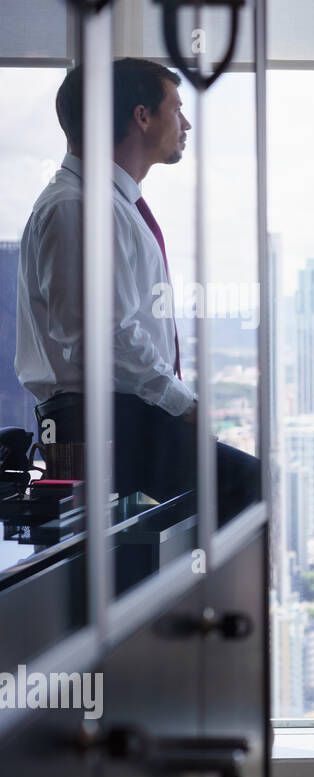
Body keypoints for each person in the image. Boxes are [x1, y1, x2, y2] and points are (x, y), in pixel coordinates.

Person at [15, 57, 259, 525]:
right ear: (141, 116)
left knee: (154, 540)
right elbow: (101, 333)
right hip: (100, 422)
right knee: (247, 486)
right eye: (176, 109)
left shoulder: (105, 204)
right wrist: (179, 400)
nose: (185, 123)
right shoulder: (78, 207)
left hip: (114, 417)